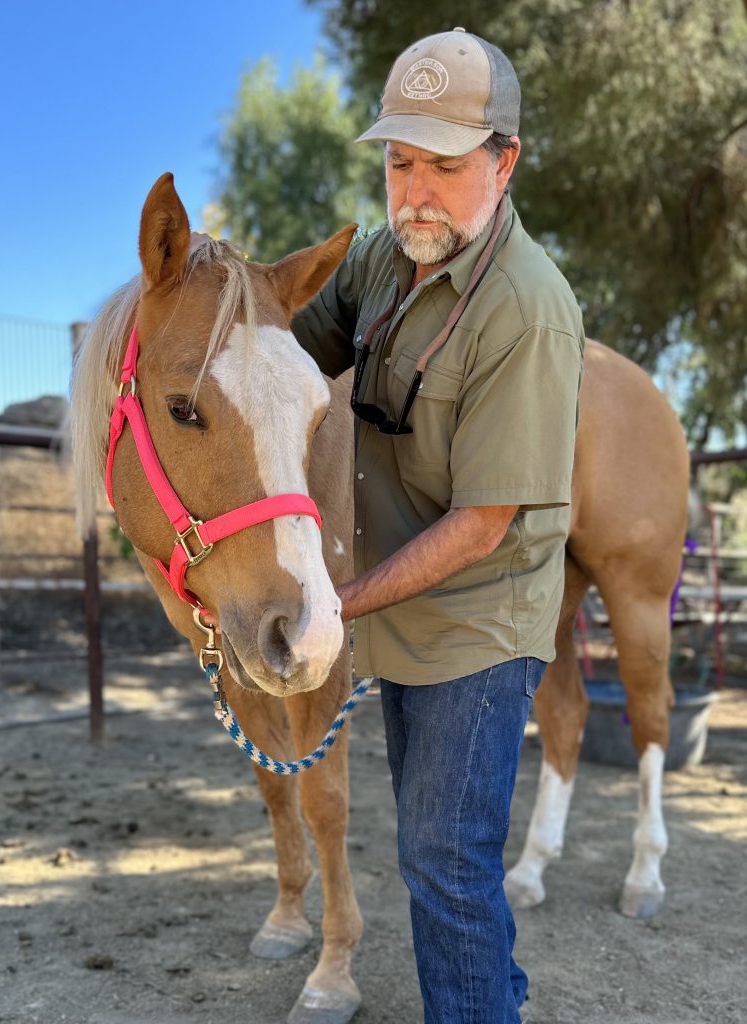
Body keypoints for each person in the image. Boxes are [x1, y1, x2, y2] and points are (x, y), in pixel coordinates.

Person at [291, 28, 584, 1024]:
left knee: (445, 862)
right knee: (435, 856)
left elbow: (480, 525)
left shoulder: (529, 309)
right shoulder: (381, 257)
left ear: (504, 163)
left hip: (477, 615)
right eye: (398, 163)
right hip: (397, 606)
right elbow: (287, 351)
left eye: (444, 167)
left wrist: (336, 604)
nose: (414, 192)